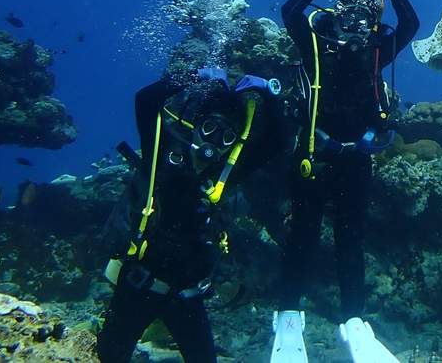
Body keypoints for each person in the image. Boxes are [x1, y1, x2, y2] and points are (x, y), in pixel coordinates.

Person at [96, 71, 295, 363]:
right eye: (210, 128)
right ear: (196, 125)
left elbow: (279, 141)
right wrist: (191, 76)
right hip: (138, 285)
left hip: (187, 296)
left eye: (226, 136)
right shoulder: (161, 152)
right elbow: (146, 100)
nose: (214, 142)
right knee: (109, 357)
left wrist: (268, 94)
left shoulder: (225, 173)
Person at [272, 0, 418, 362]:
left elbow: (411, 23)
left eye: (365, 18)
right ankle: (287, 315)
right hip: (314, 159)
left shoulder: (377, 53)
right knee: (302, 236)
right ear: (336, 15)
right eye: (348, 16)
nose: (355, 26)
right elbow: (290, 11)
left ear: (373, 23)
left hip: (356, 160)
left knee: (350, 241)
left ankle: (354, 319)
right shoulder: (315, 46)